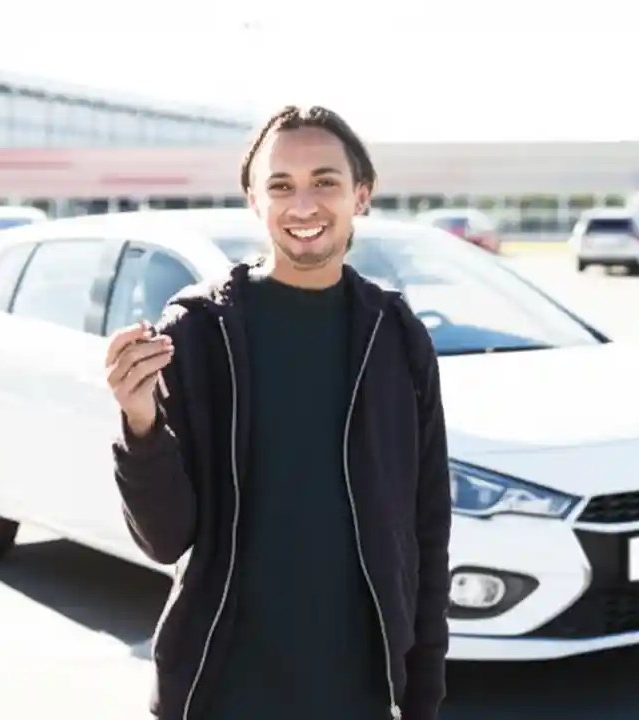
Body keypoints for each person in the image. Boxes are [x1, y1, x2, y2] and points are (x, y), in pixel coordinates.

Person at [105, 105, 452, 720]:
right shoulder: (198, 332)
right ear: (253, 200)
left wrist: (422, 698)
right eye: (281, 185)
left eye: (325, 182)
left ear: (361, 195)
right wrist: (140, 426)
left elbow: (426, 530)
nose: (303, 206)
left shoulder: (396, 336)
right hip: (222, 694)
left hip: (360, 697)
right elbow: (163, 540)